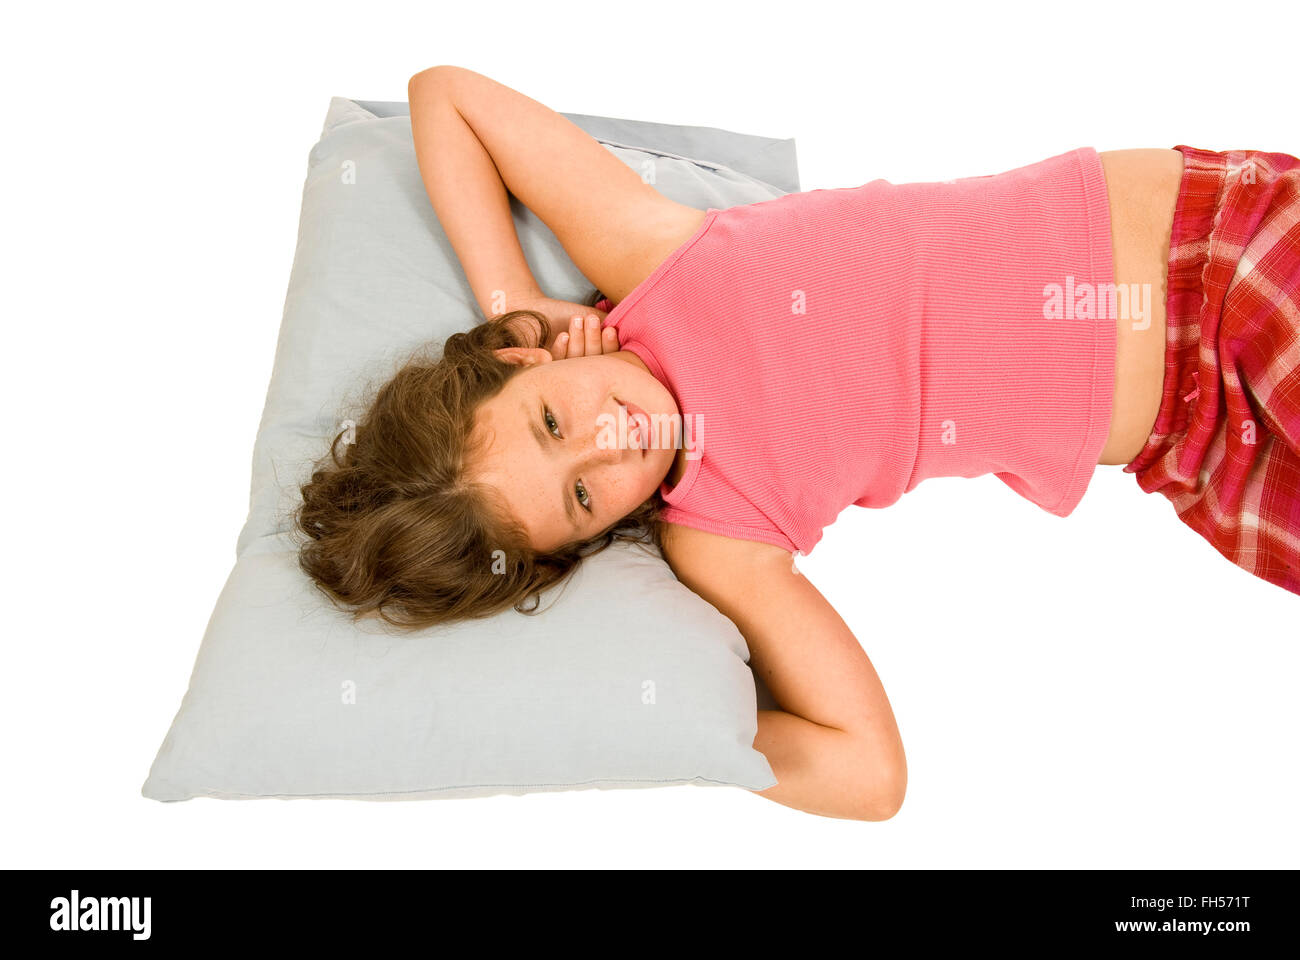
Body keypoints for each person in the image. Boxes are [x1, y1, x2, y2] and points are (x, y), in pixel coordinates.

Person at [295, 65, 1300, 821]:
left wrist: (513, 298)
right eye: (584, 496)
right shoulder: (717, 535)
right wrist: (653, 730)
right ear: (589, 540)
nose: (611, 442)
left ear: (521, 361)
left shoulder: (652, 260)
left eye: (553, 421)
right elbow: (869, 776)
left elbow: (446, 94)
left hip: (1216, 249)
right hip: (1200, 444)